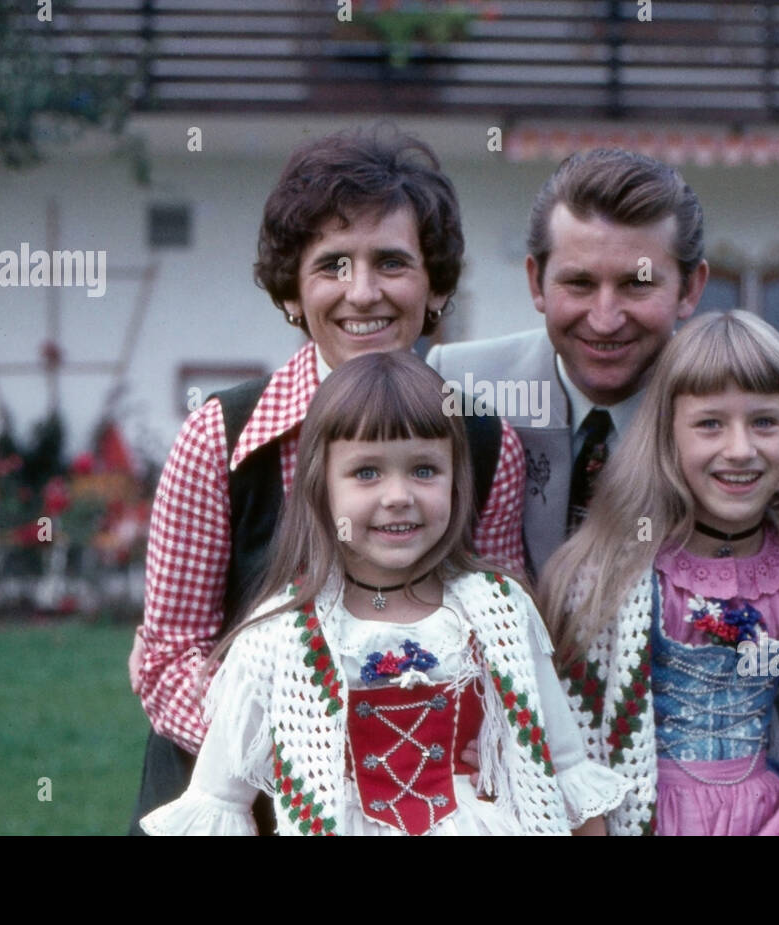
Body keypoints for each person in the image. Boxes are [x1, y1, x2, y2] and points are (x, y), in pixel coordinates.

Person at [129, 127, 528, 833]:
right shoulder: (220, 440)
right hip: (237, 806)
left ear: (433, 284)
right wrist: (313, 749)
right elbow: (166, 659)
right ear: (293, 289)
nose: (362, 292)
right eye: (333, 264)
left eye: (392, 262)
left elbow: (501, 650)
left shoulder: (487, 446)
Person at [140, 352, 629, 835]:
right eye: (367, 473)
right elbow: (218, 803)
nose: (399, 496)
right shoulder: (276, 638)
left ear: (457, 481)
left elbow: (564, 770)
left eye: (423, 470)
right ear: (320, 487)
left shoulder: (499, 610)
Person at [540, 310, 779, 835]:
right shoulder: (618, 567)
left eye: (765, 421)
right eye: (710, 424)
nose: (740, 449)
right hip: (654, 813)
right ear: (667, 436)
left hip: (778, 812)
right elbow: (573, 738)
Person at [428, 148, 709, 580]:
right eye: (579, 283)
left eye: (637, 284)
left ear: (690, 289)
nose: (605, 319)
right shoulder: (460, 388)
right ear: (535, 282)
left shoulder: (733, 417)